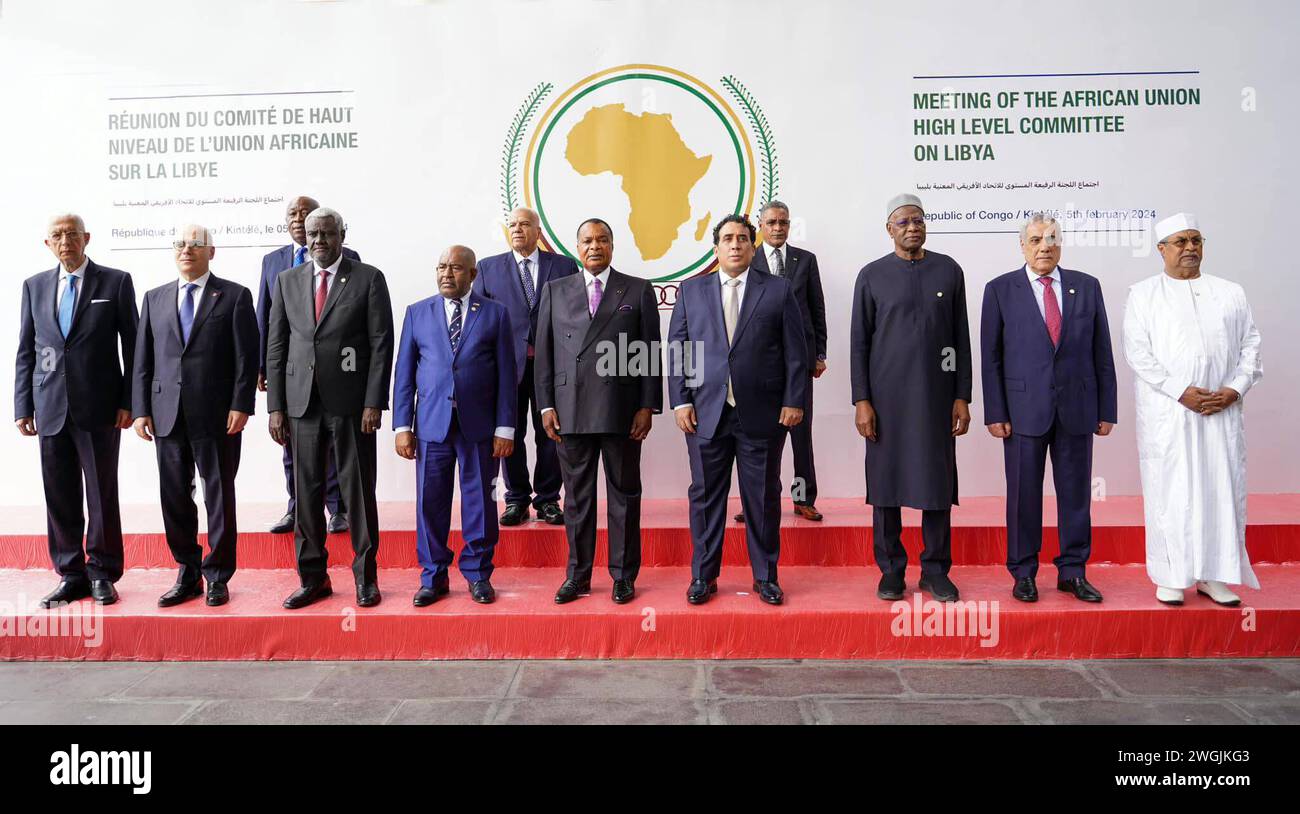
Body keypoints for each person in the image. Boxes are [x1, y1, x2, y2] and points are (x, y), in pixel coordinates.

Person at [1122, 213, 1262, 606]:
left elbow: (1251, 345)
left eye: (1196, 240)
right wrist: (1180, 391)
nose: (1190, 248)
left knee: (1219, 487)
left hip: (1221, 411)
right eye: (1180, 242)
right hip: (1170, 414)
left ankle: (1214, 575)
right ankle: (1170, 575)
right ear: (1161, 249)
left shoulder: (1230, 292)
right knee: (1172, 491)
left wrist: (1233, 389)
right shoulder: (1144, 294)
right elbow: (1138, 353)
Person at [668, 215, 806, 606]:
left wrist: (794, 400)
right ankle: (703, 576)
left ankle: (766, 577)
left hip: (762, 415)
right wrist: (680, 400)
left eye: (742, 239)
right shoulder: (691, 291)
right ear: (716, 248)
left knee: (761, 498)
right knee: (706, 497)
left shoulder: (777, 290)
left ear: (752, 246)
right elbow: (678, 351)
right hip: (705, 414)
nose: (735, 245)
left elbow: (797, 353)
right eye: (727, 238)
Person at [981, 213, 1117, 603]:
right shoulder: (999, 289)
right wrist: (996, 412)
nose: (1045, 246)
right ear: (1022, 245)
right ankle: (1024, 573)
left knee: (1075, 494)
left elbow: (1101, 351)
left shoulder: (1086, 287)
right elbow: (990, 357)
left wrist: (1106, 407)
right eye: (1037, 239)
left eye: (1053, 238)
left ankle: (1072, 571)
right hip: (1022, 412)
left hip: (1077, 408)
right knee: (1023, 496)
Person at [266, 207, 394, 609]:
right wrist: (275, 407)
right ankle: (313, 578)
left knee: (357, 494)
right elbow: (276, 345)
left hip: (352, 405)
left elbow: (380, 343)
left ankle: (365, 578)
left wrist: (374, 400)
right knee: (306, 495)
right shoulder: (287, 280)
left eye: (327, 234)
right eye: (312, 235)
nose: (319, 241)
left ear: (342, 234)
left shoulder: (368, 278)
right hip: (302, 405)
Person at [851, 194, 971, 603]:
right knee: (886, 488)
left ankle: (936, 571)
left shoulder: (949, 270)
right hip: (885, 403)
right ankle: (891, 571)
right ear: (889, 229)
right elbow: (858, 344)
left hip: (937, 400)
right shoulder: (871, 275)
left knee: (936, 485)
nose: (912, 227)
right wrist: (862, 400)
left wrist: (962, 395)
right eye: (903, 222)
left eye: (918, 220)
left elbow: (960, 340)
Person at [535, 218, 662, 605]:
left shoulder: (638, 289)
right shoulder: (555, 290)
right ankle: (578, 575)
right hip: (570, 410)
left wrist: (647, 405)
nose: (595, 246)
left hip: (621, 410)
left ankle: (624, 575)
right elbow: (544, 353)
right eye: (587, 241)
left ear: (612, 245)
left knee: (624, 495)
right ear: (577, 248)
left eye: (602, 240)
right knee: (576, 499)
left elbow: (650, 353)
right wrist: (545, 404)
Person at [131, 224, 259, 607]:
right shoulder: (154, 298)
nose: (187, 249)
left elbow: (245, 357)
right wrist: (140, 409)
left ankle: (218, 574)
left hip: (217, 415)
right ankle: (187, 571)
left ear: (211, 252)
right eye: (181, 244)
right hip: (165, 413)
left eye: (196, 244)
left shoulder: (234, 296)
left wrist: (242, 403)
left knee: (219, 495)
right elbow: (142, 359)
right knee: (174, 496)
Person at [15, 214, 137, 607]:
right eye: (57, 235)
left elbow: (133, 348)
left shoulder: (115, 282)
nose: (65, 241)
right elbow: (26, 351)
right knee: (59, 495)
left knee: (102, 493)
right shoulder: (34, 287)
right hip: (49, 406)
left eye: (72, 234)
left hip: (100, 408)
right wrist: (24, 404)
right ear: (47, 243)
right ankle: (71, 574)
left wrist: (129, 402)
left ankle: (102, 572)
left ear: (86, 238)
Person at [393, 245, 516, 605]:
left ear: (473, 274)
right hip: (431, 428)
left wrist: (505, 428)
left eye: (457, 268)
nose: (447, 273)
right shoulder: (418, 313)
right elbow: (404, 374)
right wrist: (402, 425)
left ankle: (478, 574)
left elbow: (508, 376)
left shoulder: (495, 314)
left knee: (480, 503)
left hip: (479, 428)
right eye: (442, 267)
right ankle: (433, 576)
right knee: (430, 504)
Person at [255, 195, 358, 535]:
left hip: (334, 372)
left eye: (306, 213)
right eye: (293, 213)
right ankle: (296, 506)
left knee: (332, 445)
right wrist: (263, 366)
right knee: (291, 444)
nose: (299, 218)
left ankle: (337, 508)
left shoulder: (350, 259)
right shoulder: (273, 261)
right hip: (290, 369)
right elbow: (266, 316)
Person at [473, 207, 577, 527]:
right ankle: (516, 499)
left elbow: (574, 315)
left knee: (551, 433)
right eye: (513, 225)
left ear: (537, 230)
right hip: (506, 367)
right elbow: (479, 321)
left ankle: (547, 499)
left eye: (524, 224)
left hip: (552, 365)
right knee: (510, 433)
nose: (518, 229)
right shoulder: (488, 269)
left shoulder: (563, 266)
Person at [739, 200, 827, 522]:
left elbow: (817, 309)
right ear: (761, 227)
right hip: (759, 364)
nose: (778, 228)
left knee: (801, 436)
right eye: (772, 222)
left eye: (783, 222)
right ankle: (757, 500)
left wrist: (819, 354)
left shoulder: (805, 260)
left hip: (799, 363)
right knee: (757, 438)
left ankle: (804, 497)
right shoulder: (748, 259)